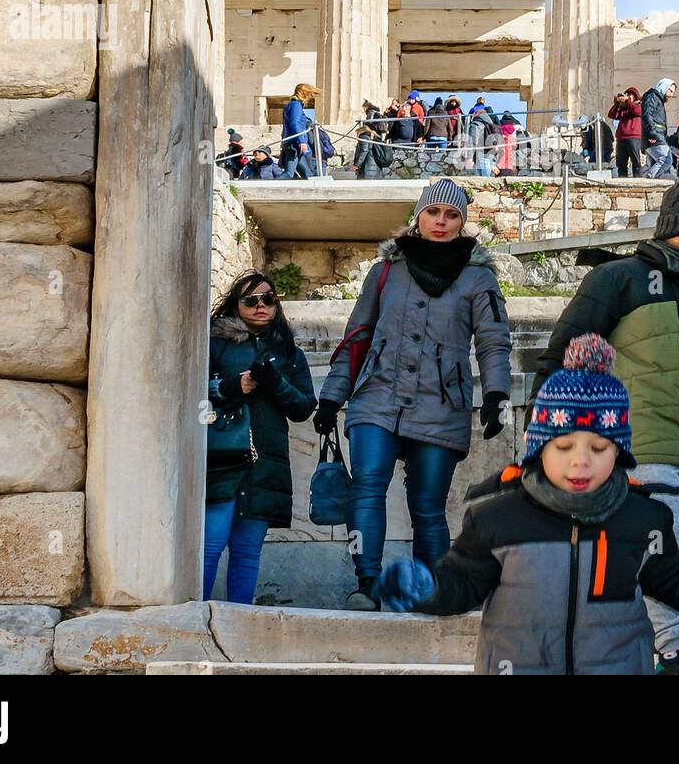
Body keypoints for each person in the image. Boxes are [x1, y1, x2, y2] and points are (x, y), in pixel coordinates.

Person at [374, 333, 679, 675]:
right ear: (538, 448)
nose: (580, 461)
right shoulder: (497, 518)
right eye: (563, 446)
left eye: (599, 447)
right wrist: (426, 588)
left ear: (620, 451)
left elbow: (675, 580)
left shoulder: (642, 519)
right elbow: (463, 584)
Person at [529, 155, 679, 673]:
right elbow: (562, 352)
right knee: (669, 539)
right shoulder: (616, 279)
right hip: (636, 437)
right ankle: (678, 650)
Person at [314, 179, 513, 609]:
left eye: (451, 215)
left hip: (441, 402)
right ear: (418, 216)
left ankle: (431, 591)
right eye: (433, 213)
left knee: (428, 505)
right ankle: (366, 583)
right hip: (378, 394)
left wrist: (497, 394)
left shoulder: (479, 278)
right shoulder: (386, 270)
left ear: (462, 223)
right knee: (366, 486)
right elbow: (358, 334)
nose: (441, 222)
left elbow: (493, 340)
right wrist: (333, 396)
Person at [205, 271, 317, 603]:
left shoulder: (289, 352)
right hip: (222, 454)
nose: (260, 306)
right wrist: (229, 387)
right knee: (211, 542)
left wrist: (274, 382)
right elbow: (186, 392)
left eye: (268, 298)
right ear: (236, 305)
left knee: (248, 548)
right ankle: (196, 617)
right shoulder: (213, 343)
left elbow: (303, 407)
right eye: (250, 300)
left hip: (266, 457)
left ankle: (238, 621)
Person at [279, 83, 320, 178]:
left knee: (308, 175)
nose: (310, 97)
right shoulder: (295, 105)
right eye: (309, 94)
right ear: (303, 93)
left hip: (292, 144)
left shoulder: (292, 105)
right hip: (294, 145)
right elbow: (295, 123)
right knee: (289, 174)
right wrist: (302, 141)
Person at [641, 77, 676, 179]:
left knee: (654, 163)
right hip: (654, 134)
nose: (671, 94)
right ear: (664, 87)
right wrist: (652, 132)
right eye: (670, 91)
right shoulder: (653, 97)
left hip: (657, 134)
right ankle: (648, 179)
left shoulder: (657, 99)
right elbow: (647, 114)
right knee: (666, 159)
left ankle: (649, 182)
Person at [608, 87, 643, 178]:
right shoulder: (624, 108)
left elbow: (636, 111)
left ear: (635, 96)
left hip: (633, 138)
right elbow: (611, 114)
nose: (627, 96)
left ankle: (638, 180)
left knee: (636, 162)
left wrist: (627, 101)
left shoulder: (639, 105)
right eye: (626, 94)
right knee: (621, 163)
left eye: (629, 95)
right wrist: (617, 104)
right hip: (621, 138)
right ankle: (622, 180)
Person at [466, 108, 499, 177]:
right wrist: (493, 163)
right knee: (487, 183)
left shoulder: (476, 124)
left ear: (477, 114)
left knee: (483, 183)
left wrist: (469, 157)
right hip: (489, 156)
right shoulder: (491, 125)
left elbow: (472, 141)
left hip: (480, 156)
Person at [496, 111, 519, 176]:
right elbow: (515, 146)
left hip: (500, 165)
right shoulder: (511, 137)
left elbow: (496, 149)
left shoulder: (499, 137)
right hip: (509, 165)